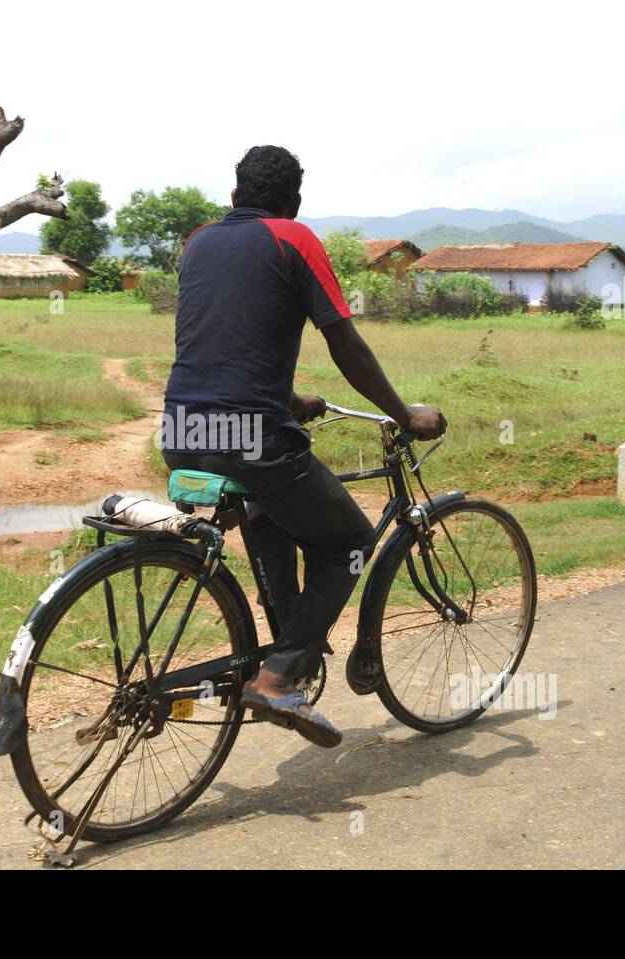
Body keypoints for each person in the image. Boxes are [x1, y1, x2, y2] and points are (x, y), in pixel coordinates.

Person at [161, 145, 446, 748]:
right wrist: (404, 412)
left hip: (183, 429)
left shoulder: (197, 241)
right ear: (293, 203)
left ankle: (288, 654)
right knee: (348, 541)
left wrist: (288, 399)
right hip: (253, 438)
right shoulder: (294, 238)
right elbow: (345, 342)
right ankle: (277, 678)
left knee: (273, 514)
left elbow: (224, 338)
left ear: (235, 196)